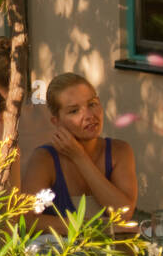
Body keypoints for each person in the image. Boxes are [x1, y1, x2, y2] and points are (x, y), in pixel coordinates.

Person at [21, 72, 137, 235]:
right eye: (74, 111)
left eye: (92, 104)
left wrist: (80, 158)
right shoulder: (45, 159)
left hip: (114, 255)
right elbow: (28, 220)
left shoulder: (119, 152)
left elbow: (123, 214)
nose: (89, 116)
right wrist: (94, 227)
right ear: (57, 121)